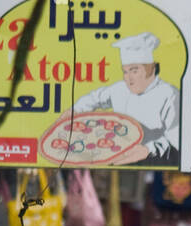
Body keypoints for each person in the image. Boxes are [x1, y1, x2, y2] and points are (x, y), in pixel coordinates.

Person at [73, 32, 180, 166]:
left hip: (151, 162)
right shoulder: (120, 89)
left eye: (134, 71)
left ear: (151, 69)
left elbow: (176, 140)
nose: (129, 78)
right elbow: (95, 98)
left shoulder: (170, 95)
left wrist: (148, 149)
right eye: (125, 71)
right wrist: (75, 110)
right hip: (116, 154)